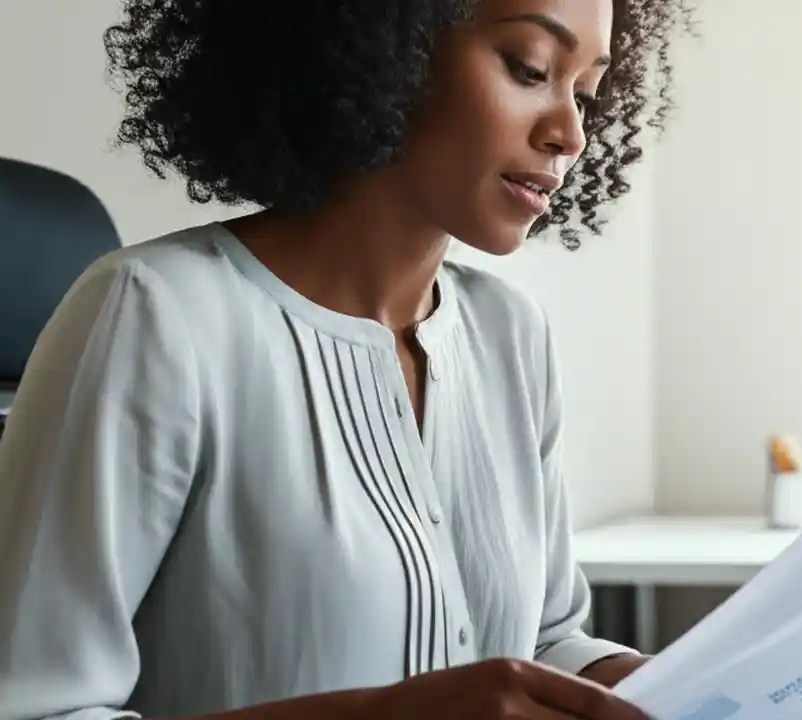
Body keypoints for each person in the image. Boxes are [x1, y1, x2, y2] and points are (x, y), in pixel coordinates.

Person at [0, 0, 690, 717]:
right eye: (530, 68)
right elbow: (36, 708)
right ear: (391, 44)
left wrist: (686, 681)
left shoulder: (509, 332)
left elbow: (544, 642)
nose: (569, 134)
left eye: (586, 94)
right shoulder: (155, 315)